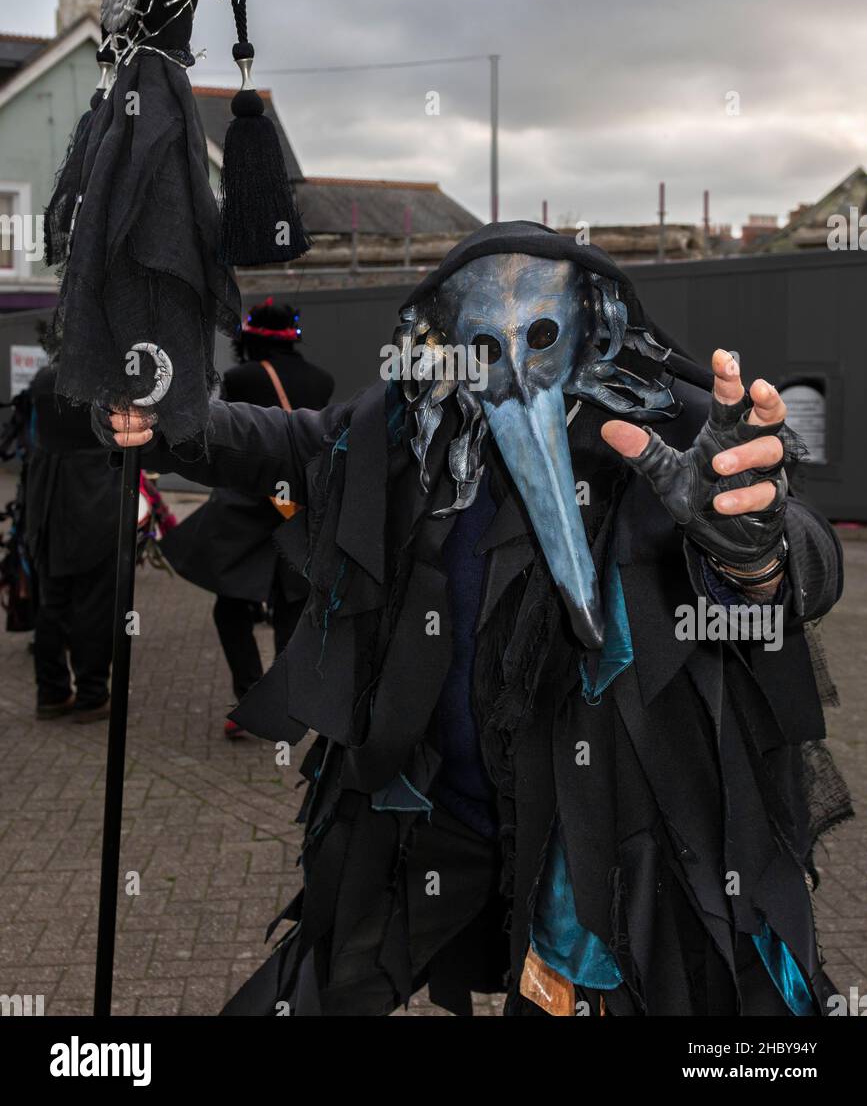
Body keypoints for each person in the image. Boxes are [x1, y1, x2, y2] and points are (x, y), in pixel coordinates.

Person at [99, 222, 851, 1017]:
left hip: (606, 843)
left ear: (590, 320)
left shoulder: (675, 426)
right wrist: (173, 421)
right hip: (433, 814)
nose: (518, 373)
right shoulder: (408, 427)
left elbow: (802, 549)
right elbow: (290, 443)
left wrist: (751, 554)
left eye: (540, 334)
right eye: (485, 345)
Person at [160, 300, 333, 734]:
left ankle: (249, 694)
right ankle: (285, 702)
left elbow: (234, 440)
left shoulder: (240, 378)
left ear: (249, 338)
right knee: (292, 609)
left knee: (231, 606)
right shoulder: (322, 381)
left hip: (246, 510)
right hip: (301, 510)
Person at [29, 363, 121, 722]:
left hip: (48, 498)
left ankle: (51, 692)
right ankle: (92, 693)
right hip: (93, 499)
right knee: (95, 607)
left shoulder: (43, 378)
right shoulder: (102, 380)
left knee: (53, 604)